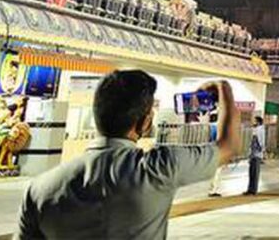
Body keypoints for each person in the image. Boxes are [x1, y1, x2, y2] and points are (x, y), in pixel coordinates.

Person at [17, 70, 240, 240]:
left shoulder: (38, 190)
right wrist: (224, 89)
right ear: (145, 122)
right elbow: (228, 147)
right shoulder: (159, 168)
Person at [245, 116, 266, 195]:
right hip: (252, 154)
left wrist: (261, 151)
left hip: (257, 154)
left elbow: (260, 142)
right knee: (251, 173)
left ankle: (254, 190)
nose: (253, 122)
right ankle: (250, 189)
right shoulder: (255, 129)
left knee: (255, 172)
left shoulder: (260, 130)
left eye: (254, 121)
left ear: (258, 122)